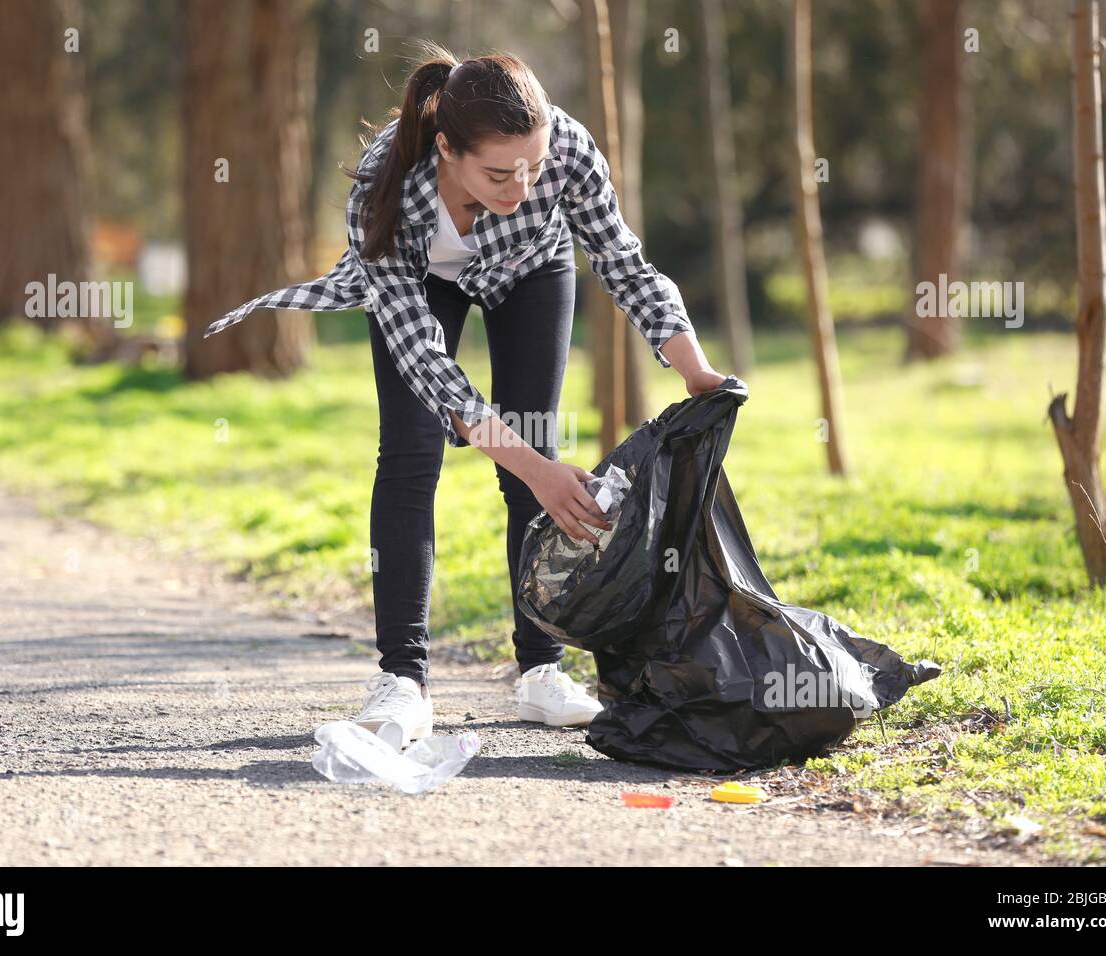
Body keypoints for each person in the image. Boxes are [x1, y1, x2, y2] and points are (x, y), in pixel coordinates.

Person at [205, 44, 728, 749]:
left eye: (534, 168)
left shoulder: (567, 148)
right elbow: (433, 371)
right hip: (423, 284)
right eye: (499, 172)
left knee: (532, 453)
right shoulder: (383, 186)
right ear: (447, 149)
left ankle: (541, 672)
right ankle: (403, 680)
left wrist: (691, 365)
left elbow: (623, 263)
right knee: (413, 452)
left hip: (532, 270)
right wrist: (541, 474)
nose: (521, 184)